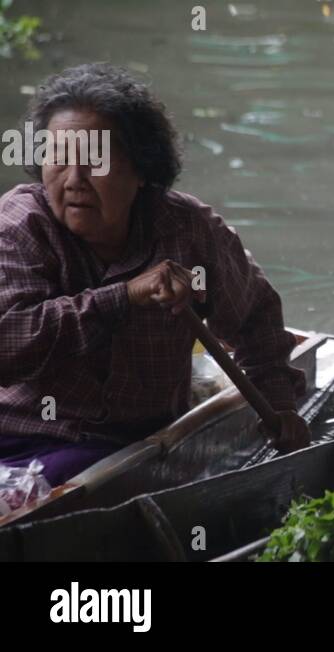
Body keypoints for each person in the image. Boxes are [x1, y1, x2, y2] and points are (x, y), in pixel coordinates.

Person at [0, 63, 310, 485]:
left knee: (65, 478)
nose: (74, 180)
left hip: (116, 449)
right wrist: (123, 296)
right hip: (14, 432)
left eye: (96, 161)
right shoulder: (22, 225)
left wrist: (280, 407)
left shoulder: (188, 231)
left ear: (141, 168)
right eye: (59, 158)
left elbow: (258, 325)